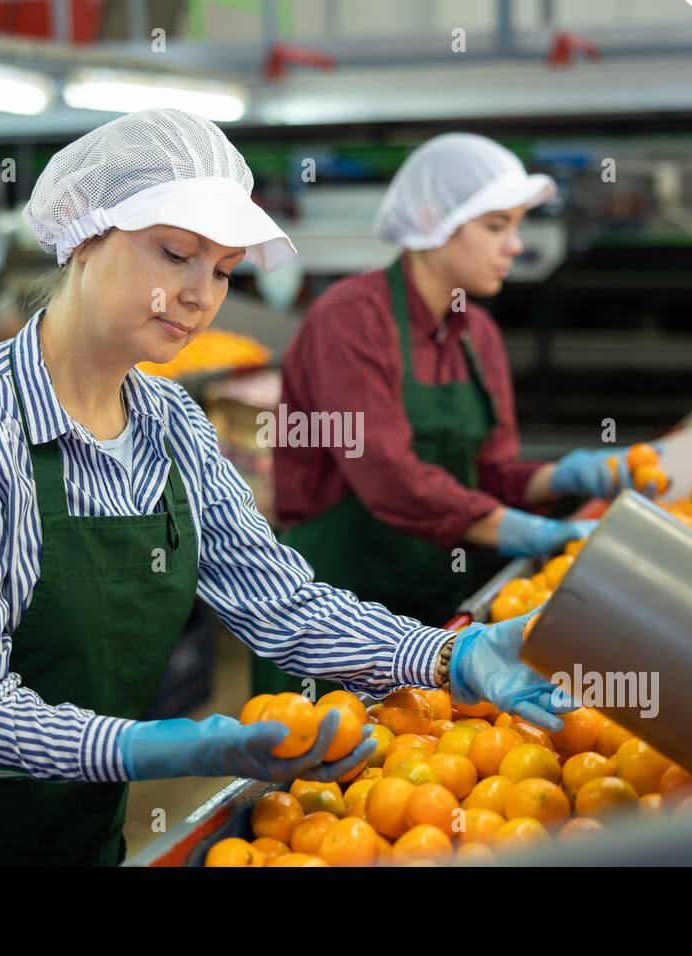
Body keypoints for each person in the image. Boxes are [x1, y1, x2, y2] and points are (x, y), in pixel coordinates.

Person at [0, 110, 570, 867]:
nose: (202, 294)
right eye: (175, 253)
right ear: (86, 235)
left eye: (225, 270)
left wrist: (445, 655)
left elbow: (283, 607)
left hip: (76, 836)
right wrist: (171, 745)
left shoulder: (173, 426)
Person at [264, 133, 656, 697]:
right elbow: (389, 479)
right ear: (433, 223)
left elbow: (488, 473)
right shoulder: (350, 320)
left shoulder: (478, 333)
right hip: (329, 614)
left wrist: (563, 477)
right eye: (496, 226)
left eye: (517, 226)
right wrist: (522, 530)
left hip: (432, 606)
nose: (515, 245)